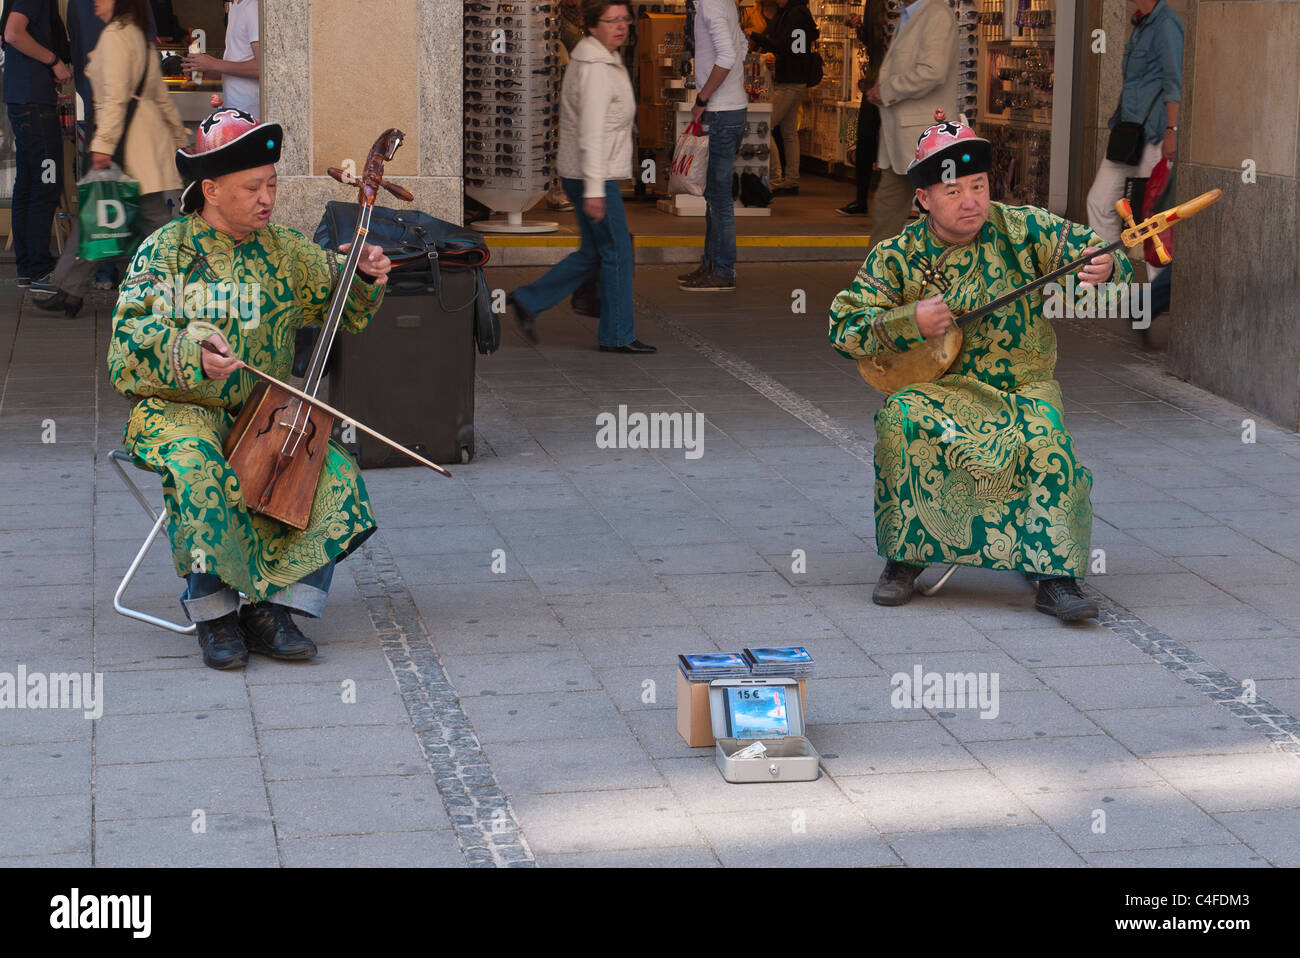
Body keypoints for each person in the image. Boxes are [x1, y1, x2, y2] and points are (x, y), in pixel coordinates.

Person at [106, 108, 393, 670]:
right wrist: (191, 355)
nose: (268, 198)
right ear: (210, 190)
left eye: (273, 185)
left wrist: (362, 273)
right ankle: (213, 615)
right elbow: (127, 343)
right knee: (200, 467)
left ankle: (272, 607)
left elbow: (341, 310)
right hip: (177, 408)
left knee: (329, 471)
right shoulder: (166, 251)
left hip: (260, 409)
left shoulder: (285, 250)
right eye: (253, 187)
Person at [828, 113, 1133, 622]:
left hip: (1021, 385)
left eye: (978, 186)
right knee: (902, 419)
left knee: (1045, 436)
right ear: (923, 198)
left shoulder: (1023, 227)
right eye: (953, 191)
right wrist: (909, 321)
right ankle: (904, 558)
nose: (970, 200)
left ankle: (1056, 575)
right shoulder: (896, 255)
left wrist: (1105, 266)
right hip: (941, 389)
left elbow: (1096, 253)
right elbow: (842, 327)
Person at [507, 1, 654, 354]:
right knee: (616, 252)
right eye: (611, 21)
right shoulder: (595, 68)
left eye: (624, 20)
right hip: (593, 174)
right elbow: (590, 131)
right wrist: (594, 190)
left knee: (594, 251)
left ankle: (528, 299)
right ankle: (617, 335)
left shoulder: (604, 57)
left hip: (587, 172)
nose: (620, 26)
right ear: (591, 26)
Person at [36, 0, 187, 318]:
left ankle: (191, 285)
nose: (96, 4)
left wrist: (102, 147)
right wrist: (178, 137)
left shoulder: (117, 37)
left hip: (124, 148)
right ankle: (69, 290)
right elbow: (160, 95)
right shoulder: (139, 36)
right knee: (98, 219)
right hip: (137, 147)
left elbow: (116, 100)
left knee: (155, 227)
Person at [1085, 0, 1182, 282]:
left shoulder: (1166, 24)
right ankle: (1109, 275)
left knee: (1152, 216)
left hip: (1154, 137)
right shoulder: (1140, 23)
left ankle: (1157, 288)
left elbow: (1176, 83)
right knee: (1099, 201)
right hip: (1128, 136)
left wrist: (1172, 130)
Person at [864, 0, 957, 245]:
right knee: (887, 210)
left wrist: (887, 91)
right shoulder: (910, 15)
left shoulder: (936, 14)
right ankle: (878, 277)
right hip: (901, 142)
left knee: (942, 217)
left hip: (925, 139)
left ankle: (883, 276)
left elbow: (932, 72)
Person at [2, 0, 72, 292]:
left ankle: (28, 269)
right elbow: (13, 33)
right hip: (34, 100)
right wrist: (54, 61)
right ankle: (40, 271)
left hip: (23, 98)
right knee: (46, 182)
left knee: (29, 184)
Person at [678, 0, 747, 292]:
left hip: (720, 112)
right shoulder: (722, 2)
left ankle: (722, 270)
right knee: (713, 195)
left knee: (718, 198)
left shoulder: (710, 3)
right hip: (730, 107)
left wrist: (704, 97)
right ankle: (711, 264)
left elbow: (729, 54)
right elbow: (741, 44)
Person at [749, 0, 817, 196]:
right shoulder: (795, 13)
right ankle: (791, 180)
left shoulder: (794, 15)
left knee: (762, 125)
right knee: (789, 132)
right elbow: (793, 47)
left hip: (790, 81)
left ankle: (777, 178)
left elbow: (783, 46)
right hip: (793, 79)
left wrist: (755, 36)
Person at [837, 0, 890, 216]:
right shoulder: (873, 4)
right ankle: (861, 200)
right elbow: (871, 40)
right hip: (877, 80)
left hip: (889, 81)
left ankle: (865, 200)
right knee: (866, 140)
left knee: (874, 141)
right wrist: (859, 27)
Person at [180, 0, 258, 117]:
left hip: (252, 115)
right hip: (236, 112)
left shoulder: (254, 6)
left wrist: (213, 64)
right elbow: (234, 66)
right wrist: (203, 70)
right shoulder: (235, 7)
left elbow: (262, 68)